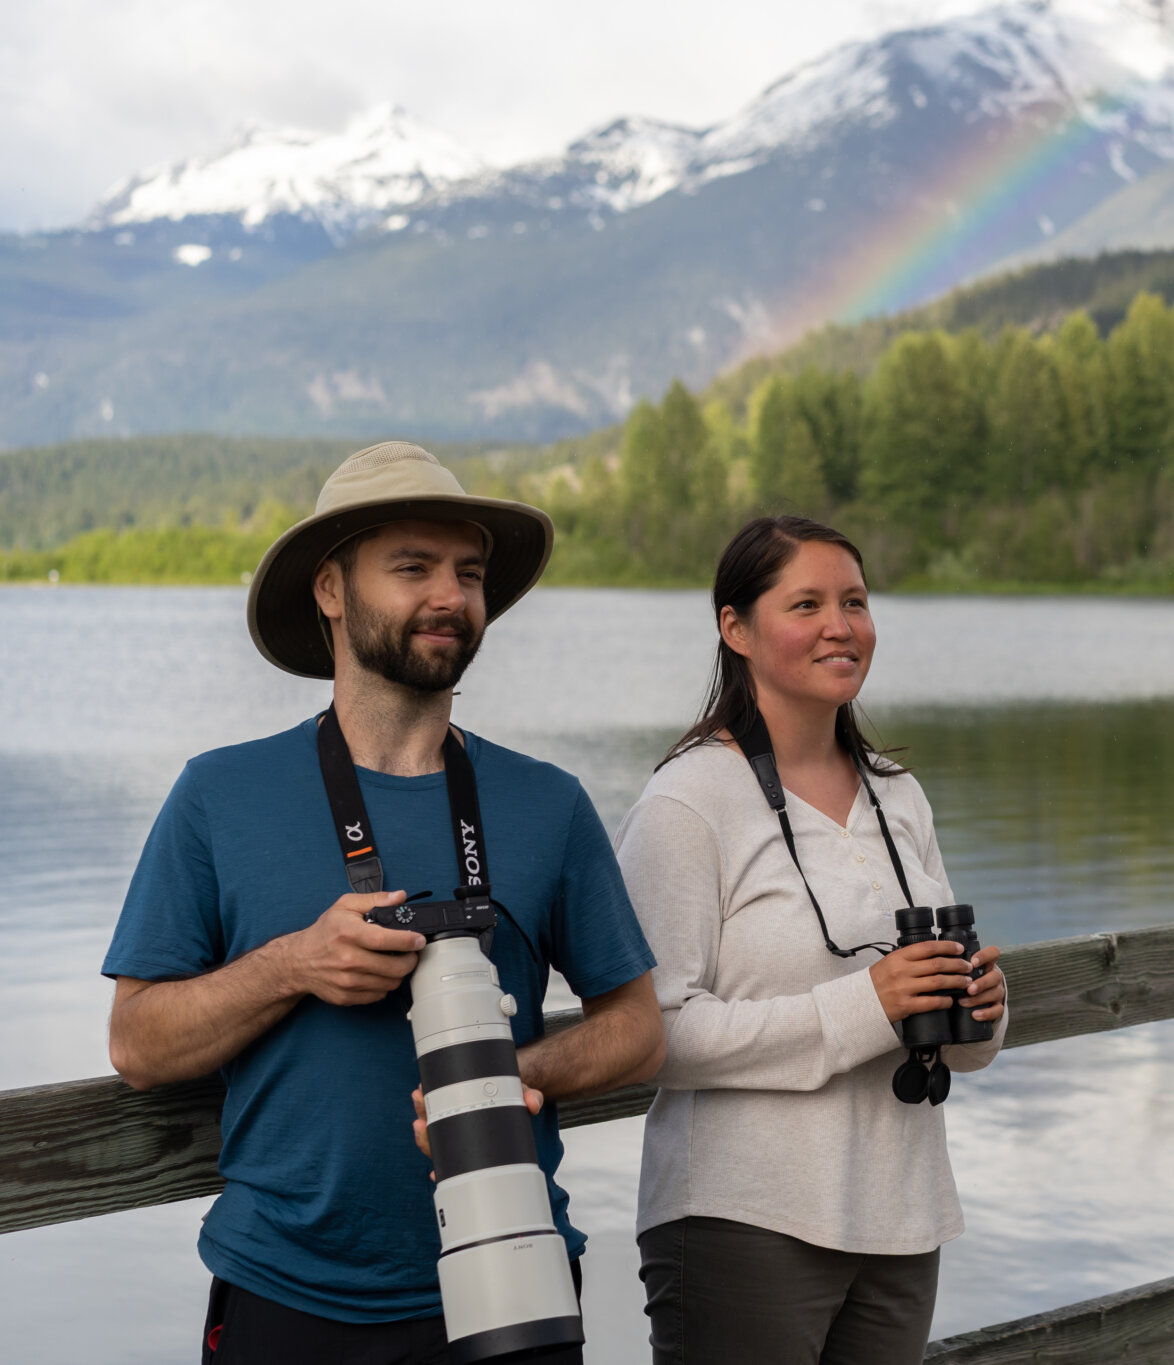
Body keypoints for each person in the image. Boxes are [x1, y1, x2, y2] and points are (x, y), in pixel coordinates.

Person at [102, 442, 664, 1365]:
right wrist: (293, 964)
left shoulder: (546, 801)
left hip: (515, 1272)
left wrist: (513, 1073)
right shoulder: (219, 794)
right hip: (286, 1290)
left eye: (469, 573)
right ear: (330, 588)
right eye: (413, 567)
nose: (451, 594)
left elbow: (638, 1025)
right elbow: (137, 1044)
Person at [618, 515, 1008, 1365]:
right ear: (736, 628)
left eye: (856, 602)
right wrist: (866, 1004)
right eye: (806, 603)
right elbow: (655, 1033)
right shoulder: (689, 802)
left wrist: (978, 1006)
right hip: (743, 1218)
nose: (842, 625)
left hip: (902, 1215)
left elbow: (954, 1041)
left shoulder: (899, 795)